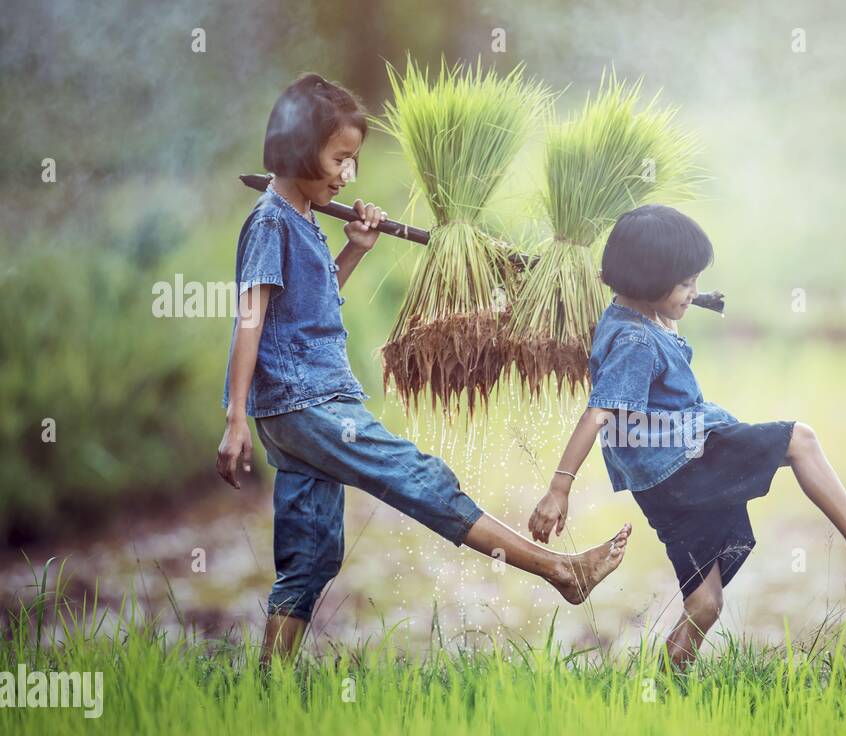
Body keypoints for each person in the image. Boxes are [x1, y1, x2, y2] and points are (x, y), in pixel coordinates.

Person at [217, 73, 630, 665]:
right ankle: (559, 570)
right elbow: (250, 320)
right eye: (340, 159)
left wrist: (356, 247)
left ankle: (267, 686)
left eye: (353, 161)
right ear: (299, 148)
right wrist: (235, 417)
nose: (346, 176)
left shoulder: (303, 217)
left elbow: (306, 306)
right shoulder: (270, 222)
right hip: (305, 405)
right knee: (418, 477)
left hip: (312, 404)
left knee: (311, 554)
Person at [529, 204, 846, 669]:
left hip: (662, 486)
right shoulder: (634, 342)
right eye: (687, 284)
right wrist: (559, 488)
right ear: (649, 284)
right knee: (799, 439)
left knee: (705, 604)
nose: (694, 292)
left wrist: (677, 302)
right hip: (684, 462)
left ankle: (666, 687)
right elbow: (600, 411)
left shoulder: (632, 316)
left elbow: (651, 316)